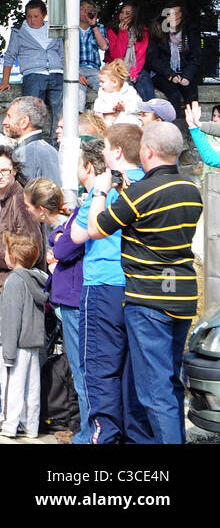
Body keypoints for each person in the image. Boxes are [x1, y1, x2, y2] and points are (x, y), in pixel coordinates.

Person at [79, 122, 201, 444]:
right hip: (181, 296)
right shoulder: (191, 190)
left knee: (153, 390)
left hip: (148, 299)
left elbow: (94, 229)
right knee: (170, 382)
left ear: (148, 151)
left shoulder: (140, 194)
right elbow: (153, 222)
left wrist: (102, 191)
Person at [64, 123, 150, 443]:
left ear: (115, 151)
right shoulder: (148, 182)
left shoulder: (107, 185)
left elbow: (78, 234)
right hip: (137, 285)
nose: (101, 153)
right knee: (131, 368)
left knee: (100, 367)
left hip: (103, 284)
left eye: (104, 147)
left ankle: (104, 434)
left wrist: (95, 193)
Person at [0, 142, 47, 422]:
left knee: (12, 351)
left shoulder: (21, 200)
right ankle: (3, 405)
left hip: (16, 286)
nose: (0, 175)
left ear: (15, 170)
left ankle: (12, 411)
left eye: (5, 170)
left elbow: (32, 248)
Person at [48, 140, 105, 444]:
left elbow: (65, 244)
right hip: (81, 292)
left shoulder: (94, 200)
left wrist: (58, 240)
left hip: (77, 294)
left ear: (89, 167)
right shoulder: (92, 200)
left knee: (84, 370)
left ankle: (88, 432)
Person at [0, 231, 48, 439]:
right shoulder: (39, 279)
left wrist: (9, 351)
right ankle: (30, 426)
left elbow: (12, 316)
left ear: (13, 257)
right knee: (32, 389)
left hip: (14, 343)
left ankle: (8, 424)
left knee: (10, 386)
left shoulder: (14, 281)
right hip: (33, 342)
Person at [0, 0, 63, 136]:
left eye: (36, 16)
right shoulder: (19, 32)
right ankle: (33, 143)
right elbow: (10, 55)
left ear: (44, 15)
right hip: (34, 75)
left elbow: (63, 53)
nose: (32, 20)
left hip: (57, 74)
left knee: (60, 113)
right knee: (32, 113)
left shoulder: (54, 29)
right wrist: (5, 80)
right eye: (29, 16)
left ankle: (57, 145)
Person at [145, 0, 201, 117]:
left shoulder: (190, 30)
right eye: (169, 14)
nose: (172, 17)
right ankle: (177, 127)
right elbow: (153, 59)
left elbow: (195, 56)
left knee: (191, 95)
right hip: (163, 73)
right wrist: (171, 75)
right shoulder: (158, 30)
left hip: (184, 71)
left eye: (175, 13)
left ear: (181, 14)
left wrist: (187, 76)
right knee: (174, 94)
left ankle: (193, 126)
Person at [4, 96, 61, 184]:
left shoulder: (27, 151)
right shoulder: (50, 149)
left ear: (24, 122)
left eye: (9, 117)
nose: (4, 122)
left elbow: (22, 193)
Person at [105, 2, 152, 102]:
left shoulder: (143, 31)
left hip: (135, 68)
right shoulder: (112, 31)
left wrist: (133, 72)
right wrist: (122, 33)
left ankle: (151, 113)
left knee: (144, 80)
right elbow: (117, 56)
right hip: (117, 67)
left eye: (127, 13)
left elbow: (140, 55)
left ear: (134, 16)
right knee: (126, 89)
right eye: (122, 12)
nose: (123, 16)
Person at [92, 59, 141, 125]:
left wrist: (124, 107)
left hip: (127, 125)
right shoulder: (103, 94)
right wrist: (114, 108)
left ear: (114, 82)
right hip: (110, 124)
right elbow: (97, 107)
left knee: (131, 118)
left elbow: (139, 106)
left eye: (102, 82)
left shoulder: (129, 92)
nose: (100, 84)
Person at [77, 1, 109, 100]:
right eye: (82, 9)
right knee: (78, 93)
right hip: (76, 68)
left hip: (93, 69)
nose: (85, 12)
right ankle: (79, 115)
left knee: (107, 91)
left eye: (89, 9)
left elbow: (104, 46)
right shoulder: (71, 28)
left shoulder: (99, 27)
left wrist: (93, 25)